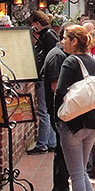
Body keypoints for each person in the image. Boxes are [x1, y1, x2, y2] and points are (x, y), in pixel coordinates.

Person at [54, 25, 95, 191]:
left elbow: (59, 93)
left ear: (75, 41)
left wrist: (57, 119)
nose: (62, 42)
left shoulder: (70, 61)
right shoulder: (93, 61)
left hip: (72, 124)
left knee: (76, 173)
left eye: (66, 38)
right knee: (81, 172)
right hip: (91, 123)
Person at [44, 23, 72, 191]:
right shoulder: (57, 56)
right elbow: (55, 87)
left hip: (65, 111)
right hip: (60, 112)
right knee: (62, 155)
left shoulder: (63, 55)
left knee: (65, 154)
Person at [28, 11, 59, 154]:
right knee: (47, 110)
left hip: (44, 77)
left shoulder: (47, 36)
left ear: (36, 24)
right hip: (46, 77)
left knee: (43, 111)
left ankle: (42, 143)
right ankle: (51, 142)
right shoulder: (50, 35)